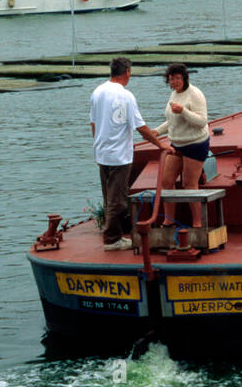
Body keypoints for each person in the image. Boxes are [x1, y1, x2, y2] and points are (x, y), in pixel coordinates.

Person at [90, 57, 172, 250]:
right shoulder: (126, 96)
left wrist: (97, 145)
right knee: (118, 200)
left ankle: (110, 232)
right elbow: (141, 127)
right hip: (119, 154)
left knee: (108, 196)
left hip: (102, 152)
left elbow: (93, 123)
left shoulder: (97, 92)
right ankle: (112, 239)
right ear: (127, 72)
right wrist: (160, 145)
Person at [154, 63, 210, 229]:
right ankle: (169, 221)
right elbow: (172, 119)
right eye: (171, 79)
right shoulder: (173, 95)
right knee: (166, 180)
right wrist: (156, 131)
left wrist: (184, 112)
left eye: (178, 78)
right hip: (176, 143)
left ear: (184, 78)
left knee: (189, 183)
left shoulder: (195, 94)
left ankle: (198, 224)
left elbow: (202, 122)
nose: (174, 82)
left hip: (195, 143)